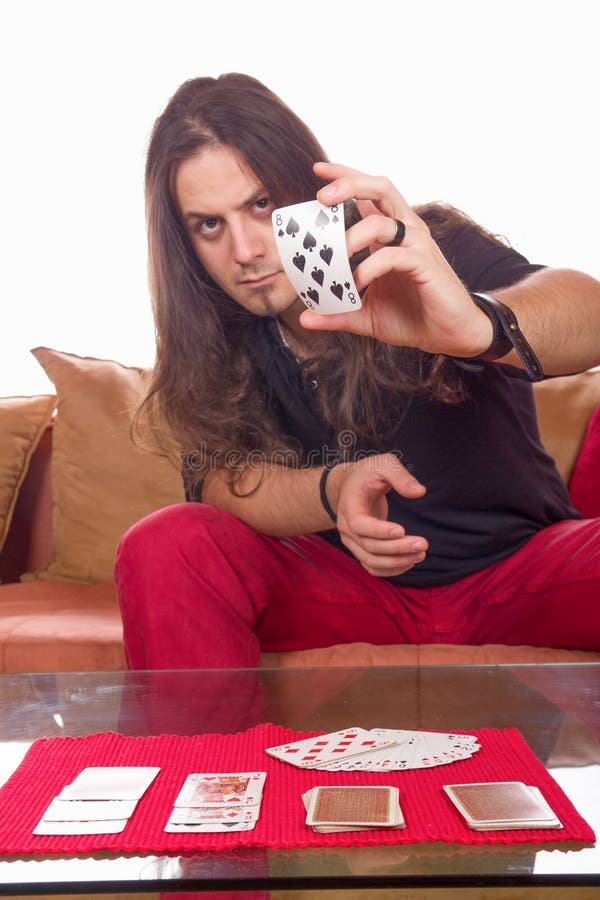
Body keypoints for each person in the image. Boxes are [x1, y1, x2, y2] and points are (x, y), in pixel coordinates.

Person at [115, 73, 600, 670]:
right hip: (351, 592)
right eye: (209, 224)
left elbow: (589, 313)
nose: (244, 251)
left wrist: (478, 326)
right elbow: (222, 482)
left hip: (521, 573)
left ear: (308, 189)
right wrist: (334, 490)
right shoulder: (216, 328)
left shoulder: (418, 249)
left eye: (261, 205)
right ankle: (206, 765)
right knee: (166, 545)